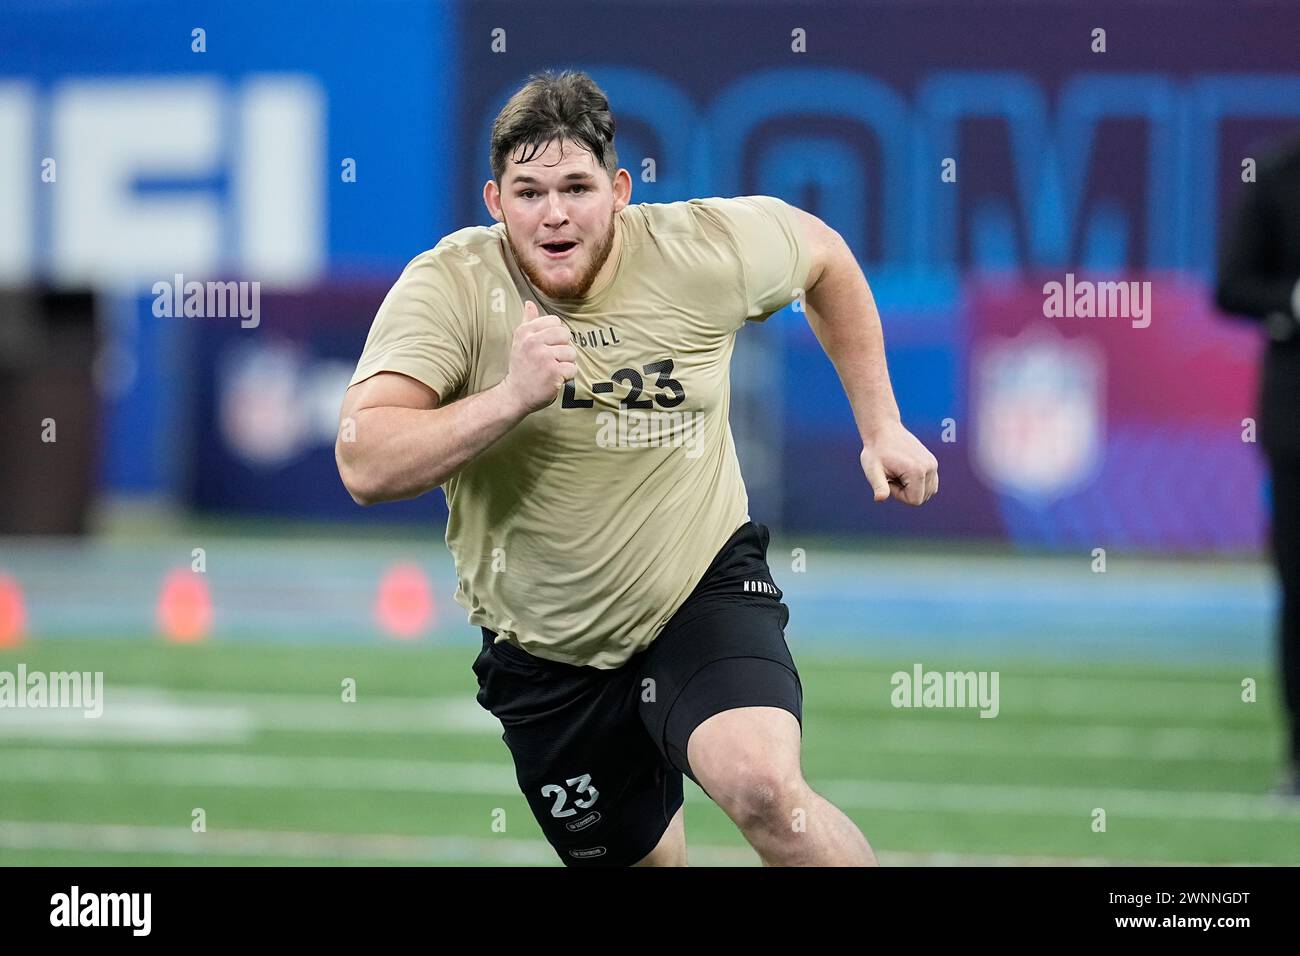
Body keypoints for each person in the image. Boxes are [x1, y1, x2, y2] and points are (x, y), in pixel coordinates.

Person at [336, 69, 938, 866]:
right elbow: (364, 461)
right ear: (493, 201)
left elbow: (825, 258)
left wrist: (882, 423)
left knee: (765, 791)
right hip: (545, 651)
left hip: (696, 592)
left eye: (577, 187)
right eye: (528, 192)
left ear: (619, 189)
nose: (554, 213)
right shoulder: (449, 286)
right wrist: (509, 398)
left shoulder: (701, 249)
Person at [1216, 133, 1300, 797]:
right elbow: (1232, 285)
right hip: (1297, 422)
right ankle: (1299, 755)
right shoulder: (1277, 177)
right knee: (1298, 593)